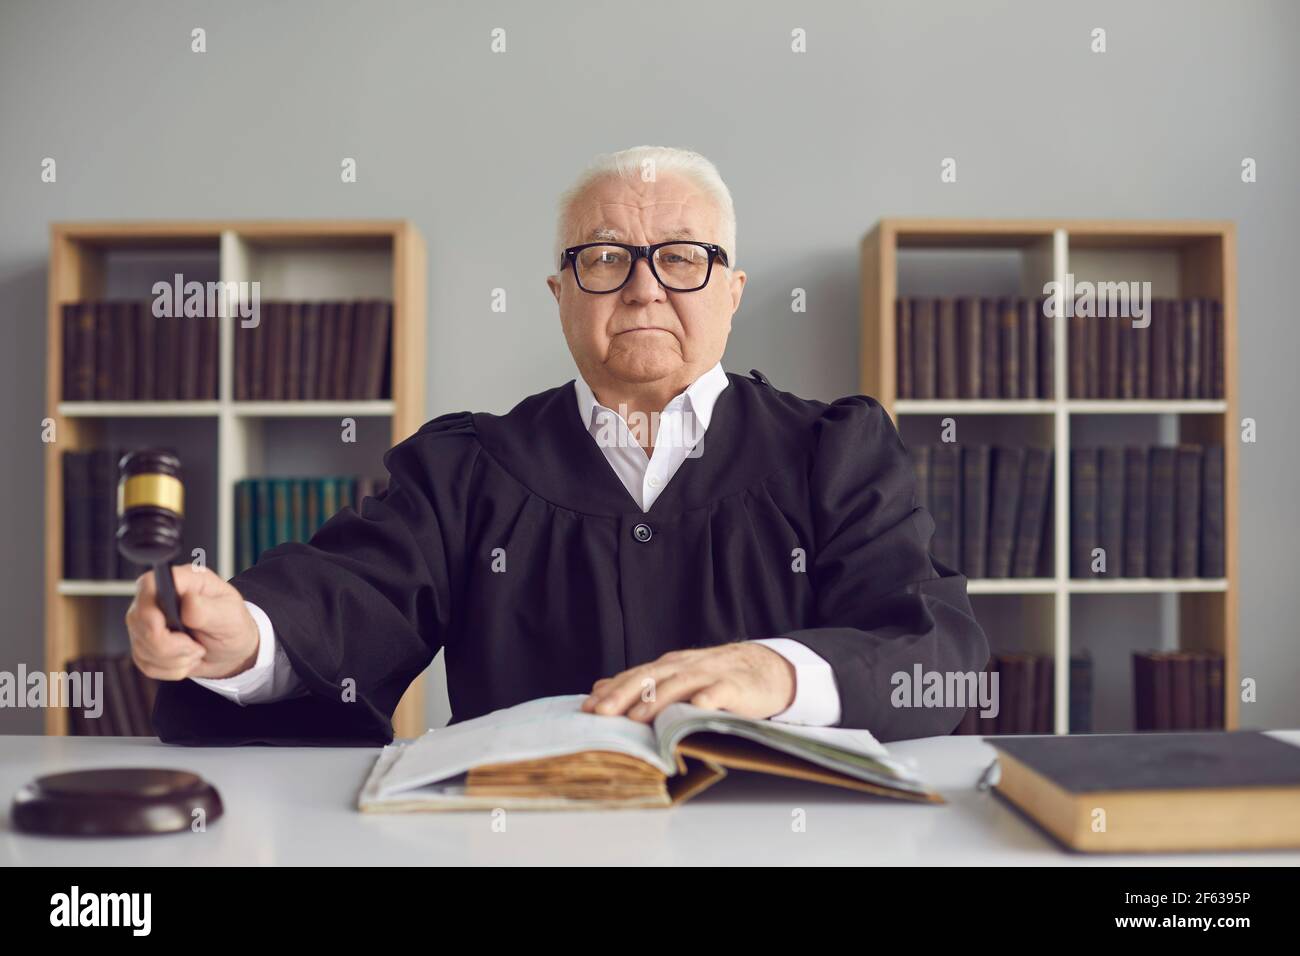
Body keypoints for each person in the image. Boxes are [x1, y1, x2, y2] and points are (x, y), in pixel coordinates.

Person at [126, 145, 988, 745]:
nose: (646, 288)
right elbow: (352, 598)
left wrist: (779, 673)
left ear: (732, 291)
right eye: (606, 258)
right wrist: (244, 639)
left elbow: (934, 645)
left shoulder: (834, 452)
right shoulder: (464, 470)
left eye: (683, 258)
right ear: (559, 292)